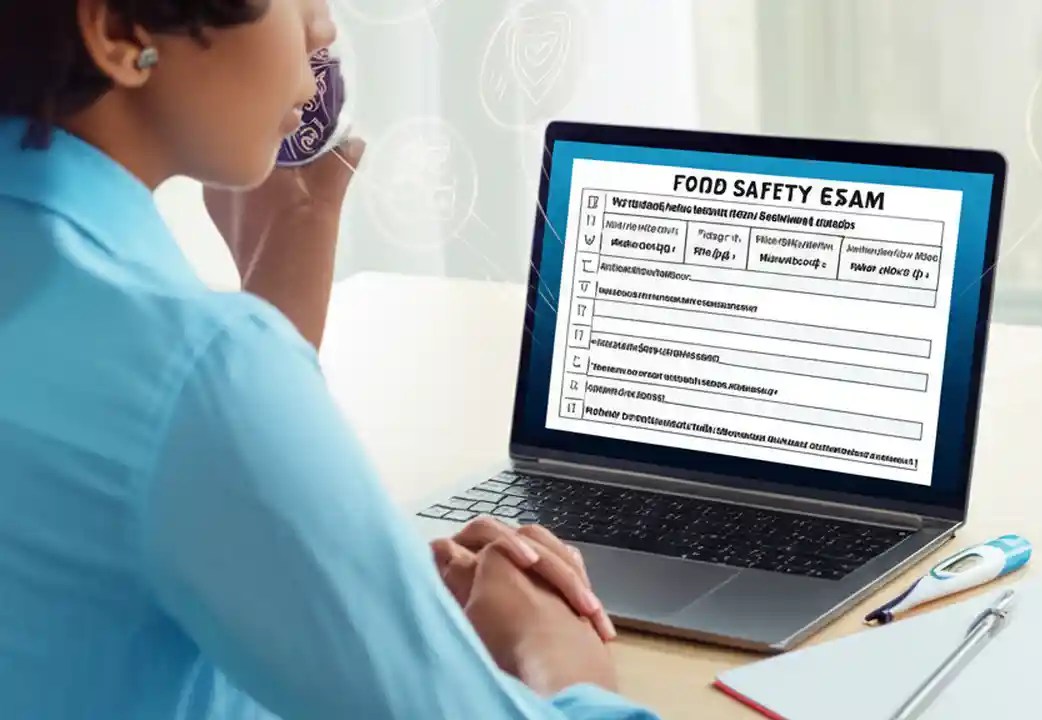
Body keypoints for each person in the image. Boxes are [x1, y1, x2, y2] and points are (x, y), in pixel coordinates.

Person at [0, 1, 657, 718]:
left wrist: (358, 608)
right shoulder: (194, 366)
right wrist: (559, 658)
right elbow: (190, 411)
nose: (323, 30)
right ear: (123, 34)